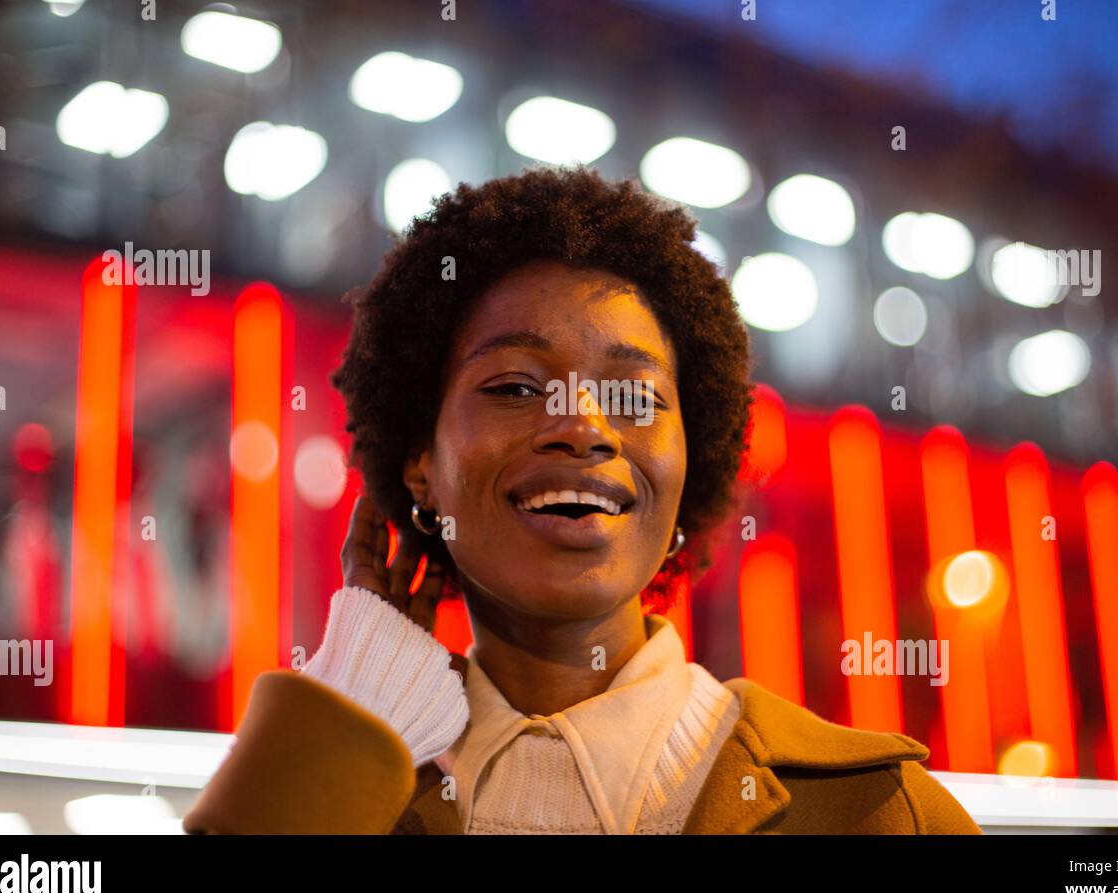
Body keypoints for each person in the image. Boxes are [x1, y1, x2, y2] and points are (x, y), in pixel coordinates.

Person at [183, 165, 981, 835]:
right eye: (514, 386)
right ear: (420, 465)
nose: (581, 427)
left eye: (635, 398)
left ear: (689, 461)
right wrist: (348, 712)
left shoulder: (882, 814)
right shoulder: (344, 803)